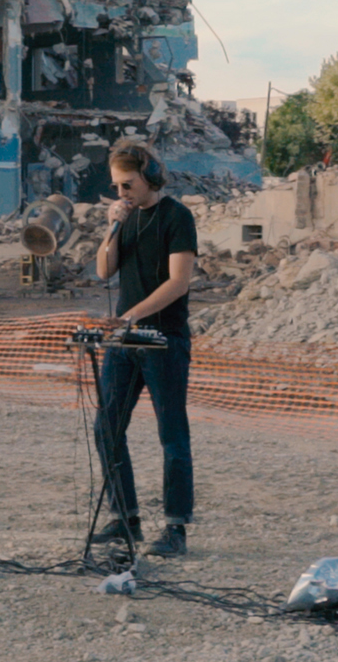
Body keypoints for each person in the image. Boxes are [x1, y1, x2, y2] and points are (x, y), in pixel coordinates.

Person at [92, 142, 198, 557]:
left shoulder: (177, 217)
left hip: (163, 339)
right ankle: (125, 517)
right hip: (126, 339)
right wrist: (112, 227)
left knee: (172, 435)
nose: (122, 193)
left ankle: (176, 528)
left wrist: (131, 316)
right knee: (107, 427)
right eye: (117, 186)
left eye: (128, 185)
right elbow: (104, 270)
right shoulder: (126, 217)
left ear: (151, 175)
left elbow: (178, 282)